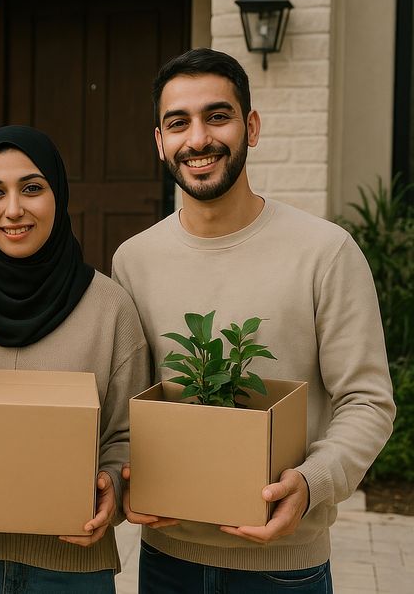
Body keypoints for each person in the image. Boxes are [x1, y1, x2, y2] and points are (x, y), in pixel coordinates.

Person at [112, 48, 397, 593]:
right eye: (179, 123)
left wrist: (311, 485)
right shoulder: (133, 260)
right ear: (160, 142)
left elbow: (367, 401)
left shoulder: (326, 252)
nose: (198, 139)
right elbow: (125, 401)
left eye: (217, 116)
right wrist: (123, 473)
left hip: (286, 569)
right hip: (167, 561)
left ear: (252, 126)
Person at [0, 125, 149, 593]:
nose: (13, 210)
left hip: (74, 563)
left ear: (58, 194)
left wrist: (111, 492)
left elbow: (129, 433)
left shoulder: (110, 308)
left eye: (32, 189)